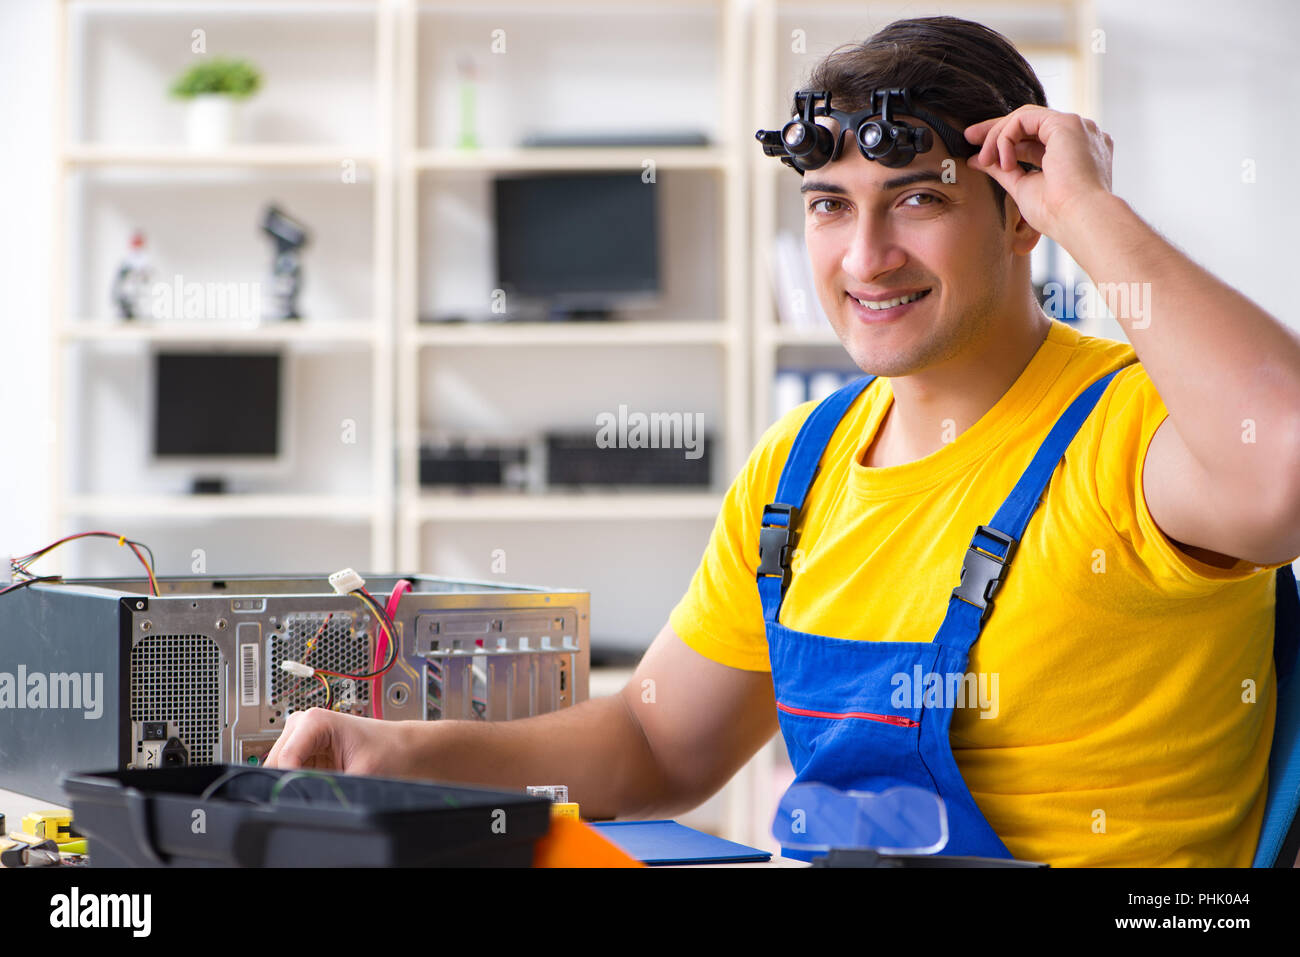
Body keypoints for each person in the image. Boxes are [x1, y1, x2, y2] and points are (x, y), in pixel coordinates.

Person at [267, 16, 1300, 866]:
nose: (865, 256)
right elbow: (655, 741)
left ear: (1019, 215)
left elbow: (1286, 463)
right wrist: (385, 752)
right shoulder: (796, 470)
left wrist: (1087, 204)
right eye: (827, 207)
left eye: (919, 200)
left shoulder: (1133, 432)